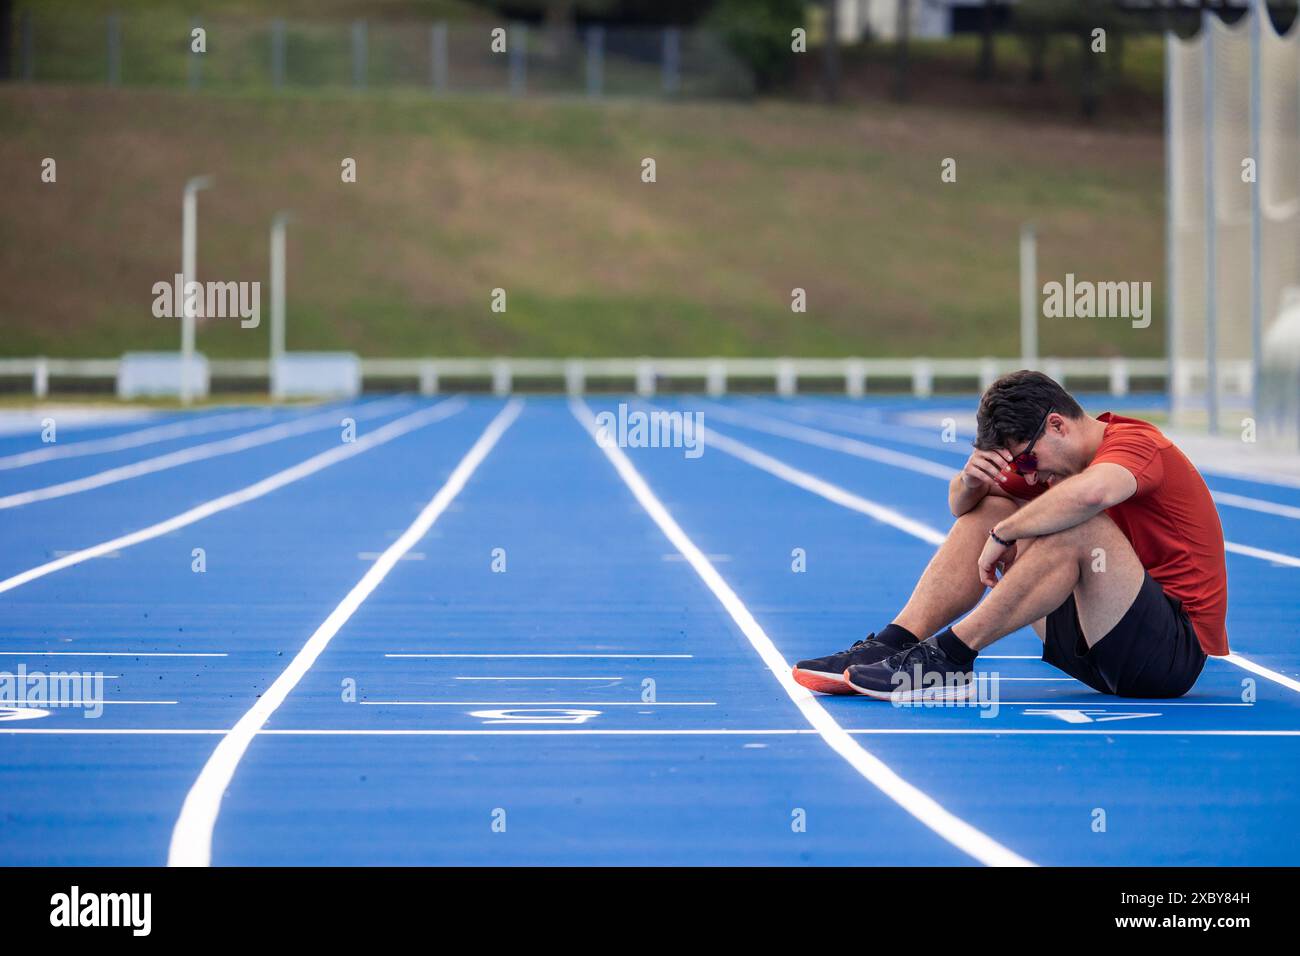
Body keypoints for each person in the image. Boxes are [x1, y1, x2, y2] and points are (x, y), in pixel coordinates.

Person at [792, 370, 1227, 701]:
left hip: (1169, 655)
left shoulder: (1137, 444)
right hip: (1094, 645)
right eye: (1019, 467)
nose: (1026, 473)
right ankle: (894, 644)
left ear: (1057, 425)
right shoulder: (1050, 462)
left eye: (1027, 460)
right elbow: (962, 507)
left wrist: (1008, 534)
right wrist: (972, 482)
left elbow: (1094, 493)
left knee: (1077, 524)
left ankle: (951, 658)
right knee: (994, 506)